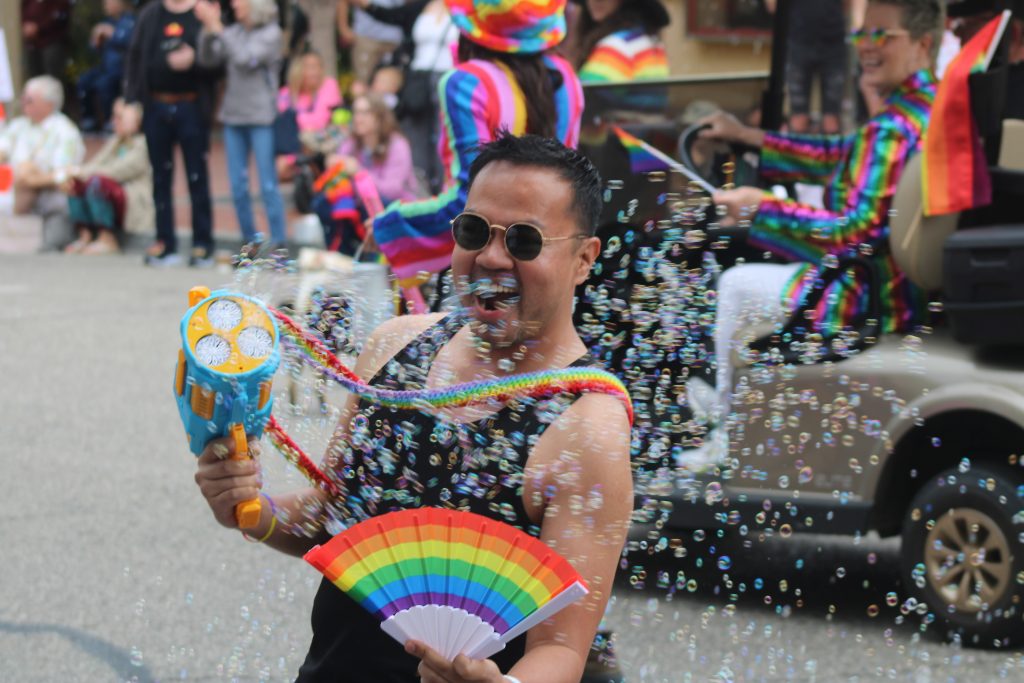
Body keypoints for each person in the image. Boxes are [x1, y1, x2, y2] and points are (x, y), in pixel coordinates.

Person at [193, 132, 632, 683]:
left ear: (584, 259)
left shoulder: (588, 424)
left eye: (524, 241)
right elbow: (335, 516)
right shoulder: (395, 343)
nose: (491, 257)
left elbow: (562, 650)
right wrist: (250, 510)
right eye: (474, 231)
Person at [682, 0, 943, 469]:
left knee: (733, 285)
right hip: (897, 286)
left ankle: (724, 433)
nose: (866, 45)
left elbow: (853, 232)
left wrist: (761, 209)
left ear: (923, 45)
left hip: (863, 291)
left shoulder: (892, 128)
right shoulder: (921, 111)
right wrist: (749, 137)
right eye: (863, 34)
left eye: (882, 35)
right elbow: (839, 154)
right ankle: (725, 402)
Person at [371, 0, 585, 299]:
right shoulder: (567, 80)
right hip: (549, 267)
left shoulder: (467, 83)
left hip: (485, 271)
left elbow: (470, 204)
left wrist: (389, 229)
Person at [123, 0, 222, 268]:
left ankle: (203, 243)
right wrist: (130, 101)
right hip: (156, 104)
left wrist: (194, 61)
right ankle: (165, 241)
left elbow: (218, 65)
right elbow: (135, 57)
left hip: (190, 105)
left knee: (197, 176)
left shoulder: (201, 12)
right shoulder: (151, 14)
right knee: (160, 175)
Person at [196, 0, 288, 251]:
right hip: (233, 116)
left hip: (261, 117)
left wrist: (218, 29)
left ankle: (279, 243)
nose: (234, 4)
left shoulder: (271, 33)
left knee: (267, 184)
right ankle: (251, 241)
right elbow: (207, 60)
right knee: (237, 185)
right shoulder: (234, 32)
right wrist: (208, 29)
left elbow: (245, 58)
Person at [351, 0, 460, 194]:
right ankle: (421, 191)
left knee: (445, 136)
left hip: (450, 78)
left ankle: (445, 190)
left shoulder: (465, 9)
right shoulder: (421, 6)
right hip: (418, 80)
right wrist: (367, 6)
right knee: (415, 134)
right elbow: (393, 16)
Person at [314, 93, 419, 253]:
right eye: (356, 112)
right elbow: (341, 186)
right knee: (324, 203)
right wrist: (334, 168)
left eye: (365, 113)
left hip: (395, 205)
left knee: (367, 207)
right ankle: (341, 255)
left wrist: (359, 172)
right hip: (360, 204)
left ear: (379, 117)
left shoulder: (397, 144)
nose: (358, 118)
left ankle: (371, 257)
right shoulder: (350, 144)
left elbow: (393, 190)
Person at [0, 76, 85, 251]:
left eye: (29, 99)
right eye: (23, 97)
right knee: (24, 172)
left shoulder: (64, 130)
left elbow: (63, 174)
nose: (23, 102)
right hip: (14, 191)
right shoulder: (19, 125)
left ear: (48, 104)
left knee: (54, 196)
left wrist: (28, 177)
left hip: (47, 191)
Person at [62, 100, 153, 254]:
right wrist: (76, 173)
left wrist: (82, 172)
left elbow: (118, 171)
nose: (113, 122)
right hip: (111, 189)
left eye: (119, 118)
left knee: (98, 183)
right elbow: (96, 163)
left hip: (132, 198)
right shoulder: (116, 142)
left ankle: (107, 238)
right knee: (75, 182)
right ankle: (86, 235)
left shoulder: (143, 144)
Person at [765, 0, 848, 134]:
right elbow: (773, 6)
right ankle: (799, 152)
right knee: (799, 118)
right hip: (798, 42)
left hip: (833, 43)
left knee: (831, 120)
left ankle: (829, 152)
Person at [276, 51, 344, 180]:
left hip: (324, 145)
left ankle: (311, 169)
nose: (315, 72)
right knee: (280, 167)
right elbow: (282, 126)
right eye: (309, 67)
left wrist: (296, 119)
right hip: (295, 148)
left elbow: (321, 120)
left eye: (318, 66)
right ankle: (306, 169)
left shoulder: (329, 85)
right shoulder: (286, 93)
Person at [77, 0, 137, 133]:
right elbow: (94, 49)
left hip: (123, 68)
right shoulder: (106, 21)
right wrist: (95, 39)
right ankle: (89, 120)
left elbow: (130, 42)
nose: (106, 6)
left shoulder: (130, 21)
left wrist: (112, 33)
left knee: (104, 85)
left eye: (109, 3)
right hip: (105, 67)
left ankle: (110, 122)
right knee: (84, 81)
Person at [338, 0, 405, 89]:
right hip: (367, 38)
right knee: (362, 83)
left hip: (395, 41)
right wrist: (344, 28)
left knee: (394, 85)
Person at [21, 0, 71, 83]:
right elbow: (24, 9)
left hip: (52, 42)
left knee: (51, 79)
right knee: (34, 79)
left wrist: (39, 27)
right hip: (33, 43)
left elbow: (60, 14)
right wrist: (25, 25)